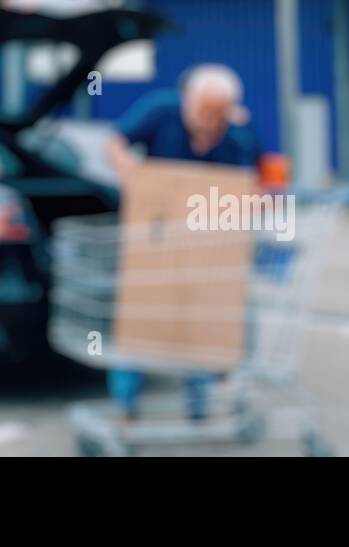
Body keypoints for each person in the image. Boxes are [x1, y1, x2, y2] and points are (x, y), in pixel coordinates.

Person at [103, 64, 260, 421]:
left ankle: (198, 404)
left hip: (205, 246)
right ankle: (126, 404)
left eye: (219, 114)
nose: (210, 122)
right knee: (140, 316)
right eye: (205, 111)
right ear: (189, 102)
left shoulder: (237, 136)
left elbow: (252, 183)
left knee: (201, 321)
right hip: (155, 241)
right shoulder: (161, 111)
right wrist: (130, 171)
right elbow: (114, 142)